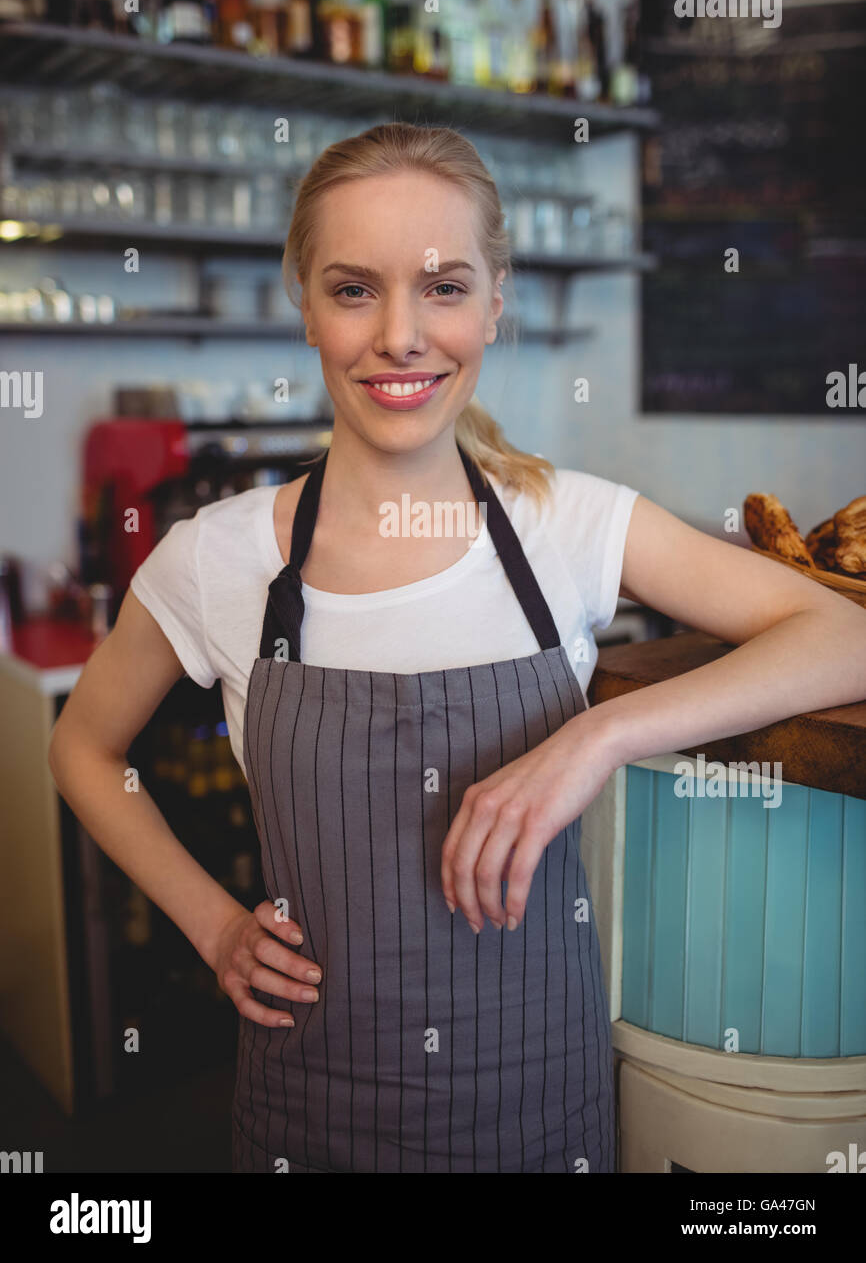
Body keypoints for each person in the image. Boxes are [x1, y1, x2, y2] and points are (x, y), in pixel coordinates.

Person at [49, 123, 866, 1174]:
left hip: (538, 1106)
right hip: (307, 1112)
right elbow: (83, 743)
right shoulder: (221, 558)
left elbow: (840, 633)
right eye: (353, 289)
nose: (399, 334)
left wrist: (596, 736)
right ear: (303, 304)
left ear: (493, 302)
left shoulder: (569, 525)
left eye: (441, 287)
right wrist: (211, 925)